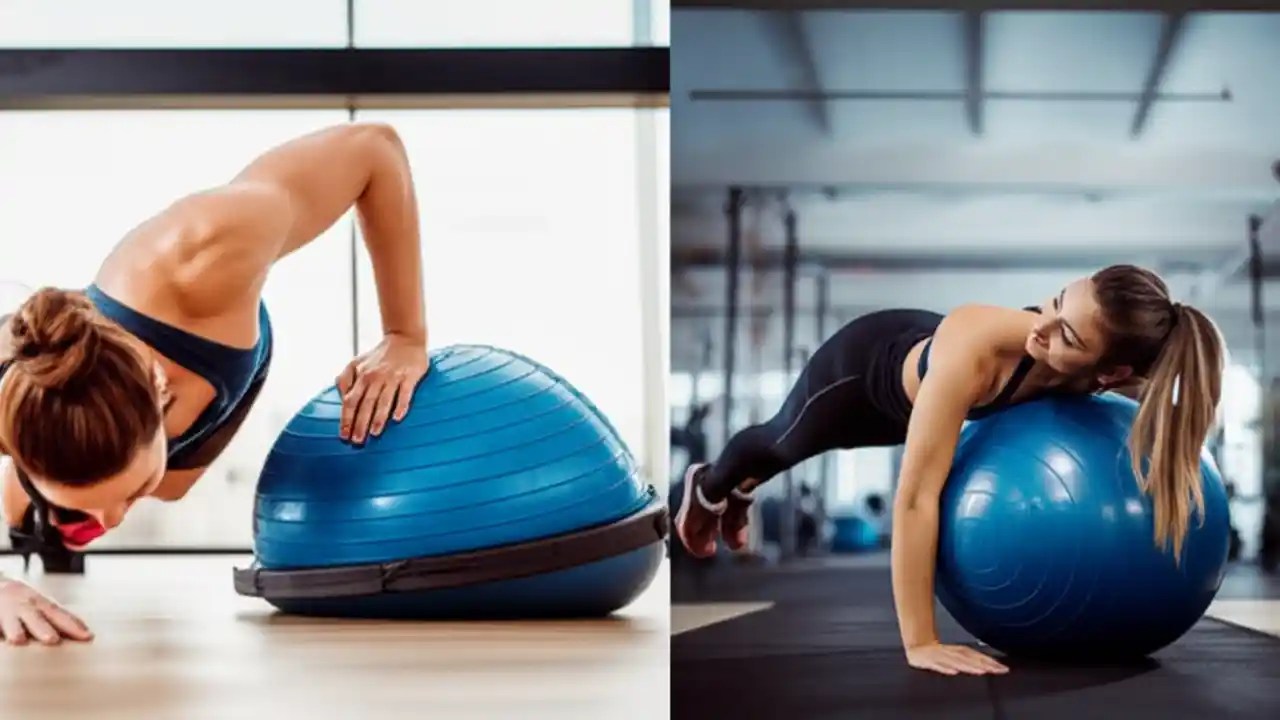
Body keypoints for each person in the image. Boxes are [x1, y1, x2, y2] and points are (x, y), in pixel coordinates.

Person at [674, 265, 1225, 676]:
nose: (1044, 326)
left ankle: (738, 487)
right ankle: (714, 485)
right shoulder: (981, 348)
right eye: (1055, 302)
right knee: (777, 445)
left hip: (937, 387)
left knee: (774, 453)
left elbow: (1173, 410)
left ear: (1113, 372)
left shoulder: (1117, 375)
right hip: (865, 378)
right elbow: (915, 498)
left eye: (1069, 336)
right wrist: (921, 641)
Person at [0, 123, 431, 646]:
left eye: (131, 490)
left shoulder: (202, 252)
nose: (114, 523)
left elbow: (373, 149)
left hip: (215, 350)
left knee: (169, 488)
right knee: (58, 513)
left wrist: (404, 335)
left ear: (158, 389)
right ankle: (42, 512)